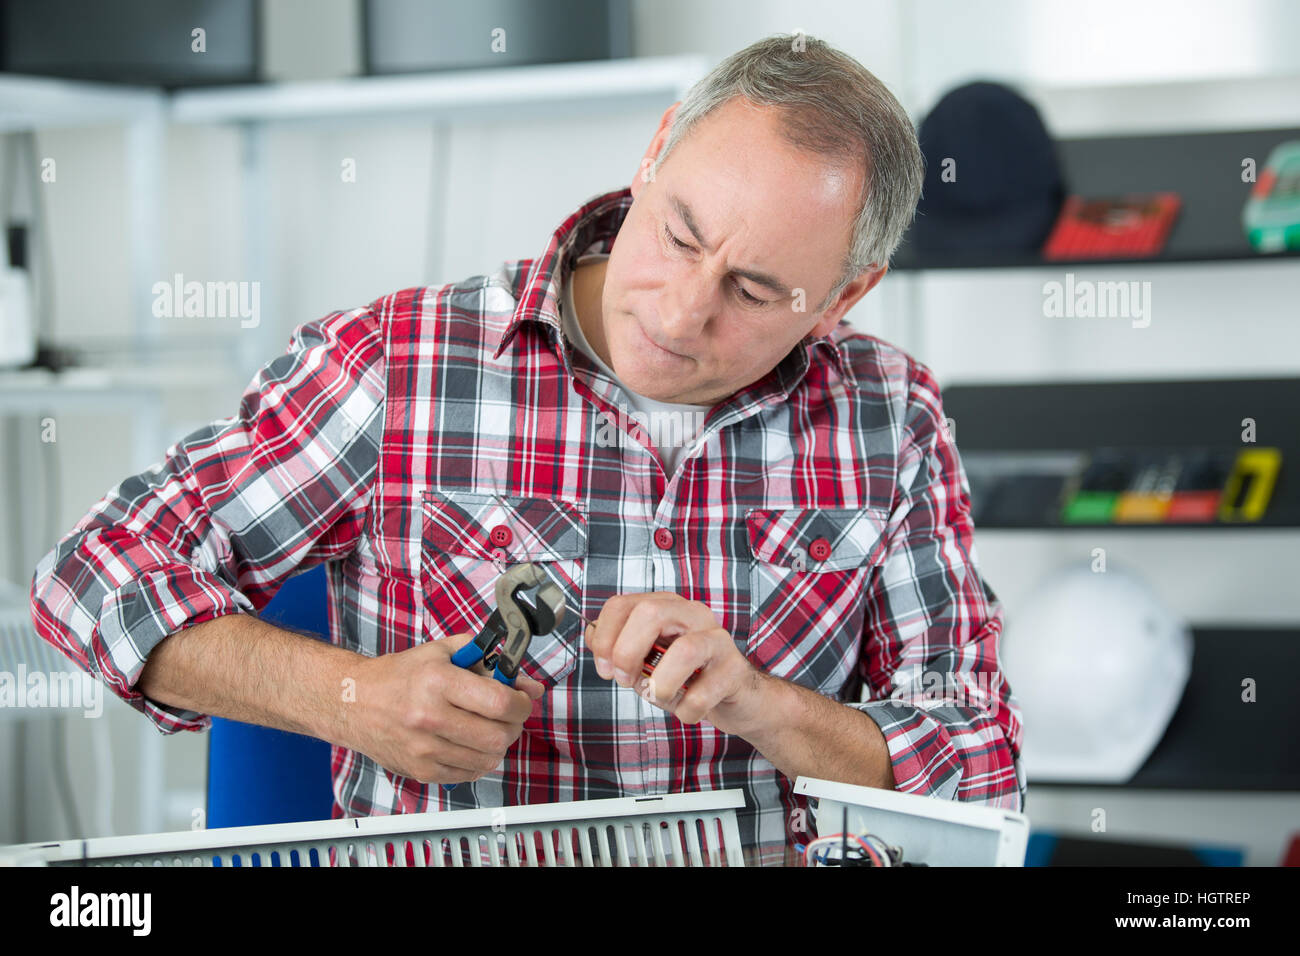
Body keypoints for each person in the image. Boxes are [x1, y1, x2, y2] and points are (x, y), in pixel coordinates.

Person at [30, 34, 1024, 867]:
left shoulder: (888, 414)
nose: (680, 313)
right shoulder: (392, 366)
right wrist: (352, 695)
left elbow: (978, 761)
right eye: (678, 234)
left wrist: (760, 703)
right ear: (655, 153)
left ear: (844, 296)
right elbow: (92, 575)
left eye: (757, 291)